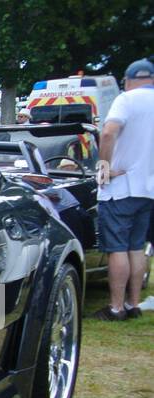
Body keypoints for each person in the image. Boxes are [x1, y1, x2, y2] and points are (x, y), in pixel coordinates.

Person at [95, 59, 154, 320]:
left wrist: (104, 166)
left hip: (121, 186)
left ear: (128, 80)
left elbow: (108, 133)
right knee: (136, 247)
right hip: (148, 187)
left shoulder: (126, 99)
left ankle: (116, 307)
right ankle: (133, 304)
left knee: (117, 248)